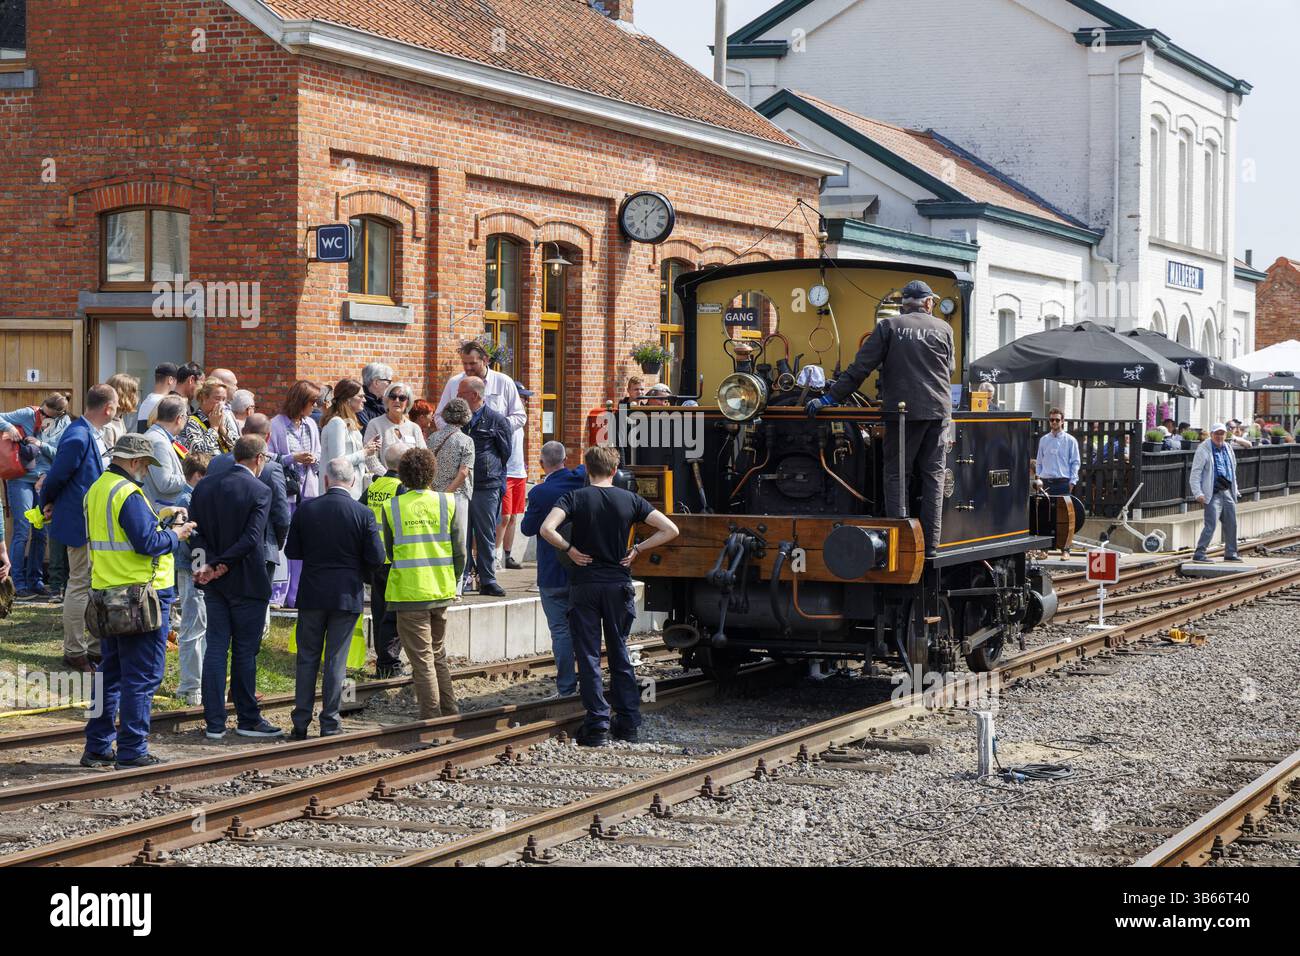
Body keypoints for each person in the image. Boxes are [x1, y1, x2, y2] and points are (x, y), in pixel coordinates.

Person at [540, 446, 678, 746]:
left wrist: (569, 549)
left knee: (588, 656)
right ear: (614, 471)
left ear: (587, 470)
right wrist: (638, 549)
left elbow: (546, 529)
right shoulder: (630, 499)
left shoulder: (574, 498)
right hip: (618, 584)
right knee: (619, 652)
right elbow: (671, 529)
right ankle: (628, 721)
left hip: (585, 585)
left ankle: (598, 724)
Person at [807, 279, 954, 557]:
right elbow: (950, 367)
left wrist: (829, 398)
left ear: (904, 304)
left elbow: (860, 368)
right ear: (927, 302)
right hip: (938, 411)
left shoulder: (889, 327)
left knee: (898, 473)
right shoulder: (944, 328)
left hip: (902, 413)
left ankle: (899, 541)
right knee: (933, 475)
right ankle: (931, 545)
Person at [79, 434, 196, 769]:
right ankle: (132, 750)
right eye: (145, 464)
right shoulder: (128, 493)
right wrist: (177, 534)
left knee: (109, 674)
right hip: (140, 598)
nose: (146, 470)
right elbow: (147, 542)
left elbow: (122, 532)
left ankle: (98, 745)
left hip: (106, 594)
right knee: (141, 676)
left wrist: (161, 514)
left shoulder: (99, 488)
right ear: (133, 462)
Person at [189, 435, 282, 738]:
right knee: (244, 651)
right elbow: (251, 539)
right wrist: (219, 565)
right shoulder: (260, 489)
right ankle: (247, 719)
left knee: (216, 647)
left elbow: (195, 534)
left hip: (213, 582)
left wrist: (206, 565)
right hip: (247, 581)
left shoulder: (204, 486)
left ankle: (214, 723)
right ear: (258, 459)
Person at [286, 457, 386, 739]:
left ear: (326, 480)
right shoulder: (362, 513)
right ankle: (330, 722)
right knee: (336, 660)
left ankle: (301, 722)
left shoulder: (306, 510)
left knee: (307, 658)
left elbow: (292, 551)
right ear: (353, 481)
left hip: (312, 593)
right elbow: (377, 557)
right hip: (347, 594)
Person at [382, 447, 466, 719]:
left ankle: (431, 719)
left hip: (409, 592)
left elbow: (390, 550)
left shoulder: (392, 506)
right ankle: (449, 711)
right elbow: (460, 550)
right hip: (441, 590)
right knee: (437, 653)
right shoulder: (448, 503)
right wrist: (454, 579)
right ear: (433, 472)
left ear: (403, 476)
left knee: (421, 659)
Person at [40, 384, 117, 672]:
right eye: (117, 405)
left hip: (91, 521)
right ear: (108, 408)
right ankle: (74, 651)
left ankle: (95, 649)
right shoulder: (78, 434)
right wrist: (46, 501)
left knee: (93, 583)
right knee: (80, 584)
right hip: (80, 523)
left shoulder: (87, 432)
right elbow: (57, 476)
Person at [521, 441, 586, 696]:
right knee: (585, 629)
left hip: (551, 572)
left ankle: (567, 687)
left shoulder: (539, 493)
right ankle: (589, 683)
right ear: (565, 459)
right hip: (581, 570)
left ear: (541, 463)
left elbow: (527, 528)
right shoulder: (579, 480)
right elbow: (582, 469)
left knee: (560, 632)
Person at [206, 413, 292, 600]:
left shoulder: (216, 463)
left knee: (223, 605)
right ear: (268, 437)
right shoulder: (271, 468)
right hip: (260, 548)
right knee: (257, 609)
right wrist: (275, 542)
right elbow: (282, 515)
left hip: (221, 546)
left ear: (243, 432)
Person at [0, 392, 70, 599]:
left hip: (44, 480)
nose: (42, 417)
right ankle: (18, 583)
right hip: (20, 477)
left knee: (40, 532)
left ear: (59, 415)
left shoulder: (65, 424)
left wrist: (41, 445)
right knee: (22, 530)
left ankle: (36, 580)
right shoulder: (28, 413)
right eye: (42, 412)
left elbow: (62, 455)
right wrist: (9, 427)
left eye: (48, 415)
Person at [268, 380, 322, 607]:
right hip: (286, 491)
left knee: (303, 543)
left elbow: (318, 451)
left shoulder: (310, 423)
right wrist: (294, 458)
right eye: (312, 402)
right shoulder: (277, 424)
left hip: (307, 491)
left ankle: (296, 595)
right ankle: (278, 594)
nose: (315, 406)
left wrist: (312, 458)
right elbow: (269, 455)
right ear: (300, 401)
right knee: (283, 542)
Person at [460, 376, 512, 597]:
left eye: (461, 394)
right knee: (461, 533)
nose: (458, 398)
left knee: (485, 534)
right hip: (461, 484)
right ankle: (462, 578)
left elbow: (505, 452)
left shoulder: (497, 420)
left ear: (475, 395)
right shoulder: (460, 420)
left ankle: (488, 579)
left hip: (486, 485)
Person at [364, 442, 409, 678]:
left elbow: (361, 513)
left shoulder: (375, 485)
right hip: (393, 560)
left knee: (379, 610)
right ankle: (389, 663)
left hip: (375, 559)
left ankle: (383, 661)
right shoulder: (401, 489)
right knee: (393, 614)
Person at [173, 451, 211, 706]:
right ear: (198, 476)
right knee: (193, 627)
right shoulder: (189, 499)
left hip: (191, 568)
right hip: (191, 570)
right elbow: (189, 542)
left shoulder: (190, 497)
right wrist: (201, 569)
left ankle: (199, 683)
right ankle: (190, 686)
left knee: (200, 626)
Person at [429, 398, 475, 594]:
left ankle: (435, 581)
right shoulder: (466, 441)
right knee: (458, 542)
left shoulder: (432, 438)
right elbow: (464, 472)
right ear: (465, 417)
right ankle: (455, 587)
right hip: (456, 496)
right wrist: (448, 492)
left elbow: (427, 468)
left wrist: (435, 490)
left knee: (437, 540)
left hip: (433, 494)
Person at [434, 340, 526, 433]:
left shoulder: (504, 382)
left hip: (496, 445)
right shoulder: (454, 383)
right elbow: (439, 416)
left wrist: (496, 429)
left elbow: (519, 416)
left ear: (485, 360)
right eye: (464, 363)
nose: (468, 368)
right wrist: (454, 434)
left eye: (472, 363)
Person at [321, 379, 383, 501]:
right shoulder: (337, 423)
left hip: (353, 491)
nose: (364, 400)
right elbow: (337, 462)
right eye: (360, 396)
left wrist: (368, 448)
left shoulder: (350, 423)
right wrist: (364, 452)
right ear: (348, 398)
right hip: (339, 494)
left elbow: (352, 454)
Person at [496, 380, 532, 571]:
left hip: (520, 472)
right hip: (506, 473)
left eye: (526, 399)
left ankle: (507, 555)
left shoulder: (521, 421)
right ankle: (495, 555)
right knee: (504, 516)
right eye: (522, 398)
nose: (525, 402)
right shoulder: (505, 421)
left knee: (513, 517)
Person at [1191, 423, 1240, 564]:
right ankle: (1199, 553)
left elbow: (1232, 470)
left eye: (1222, 434)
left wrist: (1235, 489)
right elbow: (1195, 473)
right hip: (1212, 492)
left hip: (1227, 491)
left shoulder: (1228, 447)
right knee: (1210, 524)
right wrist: (1198, 493)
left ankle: (1231, 552)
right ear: (1211, 434)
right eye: (1217, 434)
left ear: (1225, 435)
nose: (1219, 436)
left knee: (1232, 523)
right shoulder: (1203, 449)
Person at [140, 396, 189, 507]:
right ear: (179, 418)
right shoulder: (158, 442)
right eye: (186, 416)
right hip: (163, 512)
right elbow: (165, 483)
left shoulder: (158, 436)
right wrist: (190, 477)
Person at [362, 381, 427, 464]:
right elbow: (370, 458)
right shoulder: (375, 424)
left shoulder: (415, 428)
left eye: (402, 398)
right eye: (393, 397)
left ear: (407, 402)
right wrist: (390, 476)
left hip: (410, 476)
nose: (397, 400)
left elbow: (423, 457)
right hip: (383, 476)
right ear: (387, 400)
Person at [181, 378, 233, 456]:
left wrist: (223, 431)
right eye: (217, 399)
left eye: (224, 399)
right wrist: (214, 428)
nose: (221, 404)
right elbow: (199, 453)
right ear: (204, 397)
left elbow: (239, 450)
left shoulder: (224, 420)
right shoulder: (191, 422)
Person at [1035, 408, 1080, 496]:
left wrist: (1072, 483)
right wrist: (1039, 477)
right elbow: (1039, 461)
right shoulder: (1043, 440)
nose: (1054, 422)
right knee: (1045, 509)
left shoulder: (1070, 440)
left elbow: (1075, 462)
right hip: (1045, 483)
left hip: (1063, 483)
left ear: (1062, 421)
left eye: (1057, 420)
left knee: (1062, 510)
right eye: (1052, 420)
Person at [136, 362, 178, 429]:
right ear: (170, 380)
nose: (176, 384)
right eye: (176, 380)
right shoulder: (164, 404)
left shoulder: (145, 402)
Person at [103, 373, 140, 447]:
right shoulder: (108, 426)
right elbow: (109, 456)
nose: (136, 396)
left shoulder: (119, 418)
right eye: (133, 392)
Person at [358, 363, 394, 430]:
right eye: (389, 381)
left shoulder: (384, 403)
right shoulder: (360, 404)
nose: (391, 385)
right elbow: (371, 432)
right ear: (376, 382)